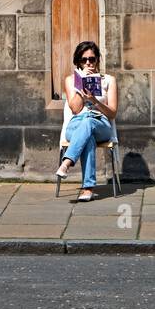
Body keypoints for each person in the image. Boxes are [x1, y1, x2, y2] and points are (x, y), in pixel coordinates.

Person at [55, 41, 118, 202]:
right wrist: (82, 85)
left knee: (89, 122)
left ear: (97, 60)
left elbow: (112, 113)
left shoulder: (109, 80)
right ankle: (88, 188)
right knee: (86, 132)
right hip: (76, 125)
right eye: (84, 60)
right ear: (78, 62)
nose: (88, 63)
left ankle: (67, 162)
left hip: (100, 124)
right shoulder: (70, 80)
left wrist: (95, 101)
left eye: (92, 59)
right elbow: (75, 109)